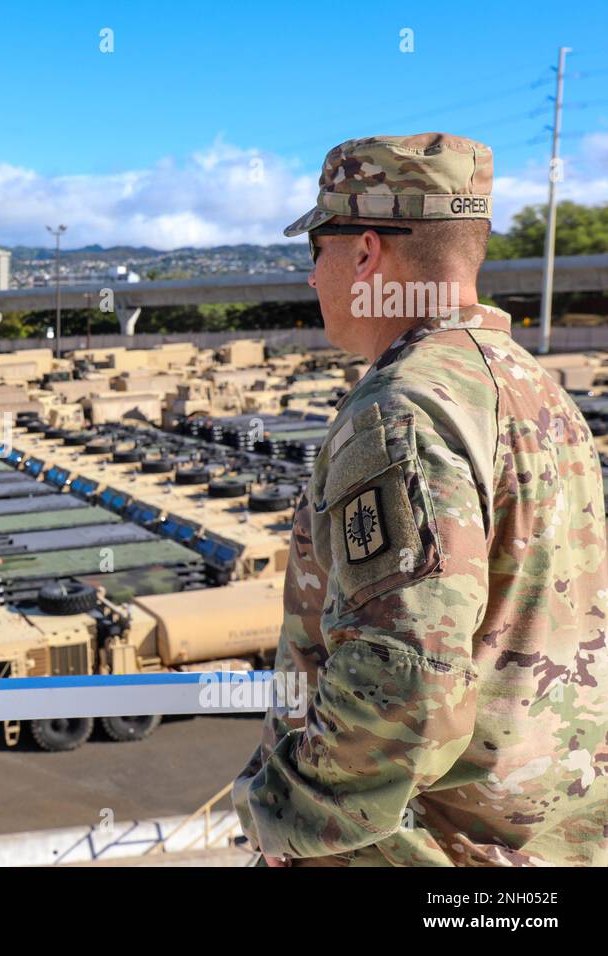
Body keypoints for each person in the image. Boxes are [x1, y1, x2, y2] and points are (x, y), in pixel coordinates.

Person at [232, 133, 608, 867]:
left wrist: (286, 819)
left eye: (317, 251)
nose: (312, 279)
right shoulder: (537, 391)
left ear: (366, 253)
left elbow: (405, 682)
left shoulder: (401, 409)